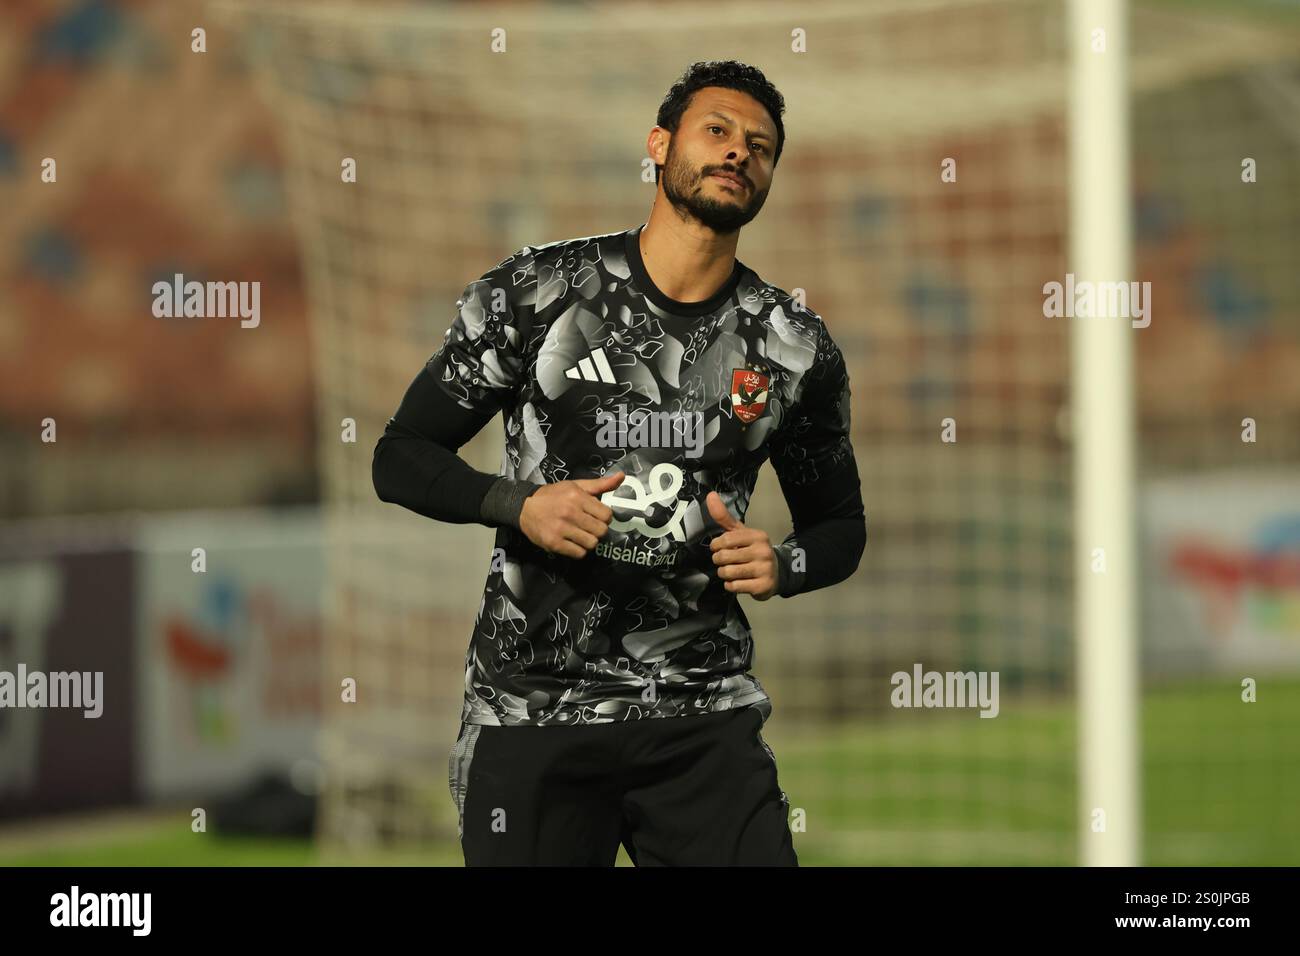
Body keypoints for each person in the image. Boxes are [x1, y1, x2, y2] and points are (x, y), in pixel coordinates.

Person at [372, 60, 865, 866]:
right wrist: (518, 505)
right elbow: (399, 456)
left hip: (701, 715)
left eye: (760, 146)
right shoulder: (534, 294)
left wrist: (785, 563)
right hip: (532, 710)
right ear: (660, 144)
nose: (739, 153)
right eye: (718, 131)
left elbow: (840, 527)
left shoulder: (793, 347)